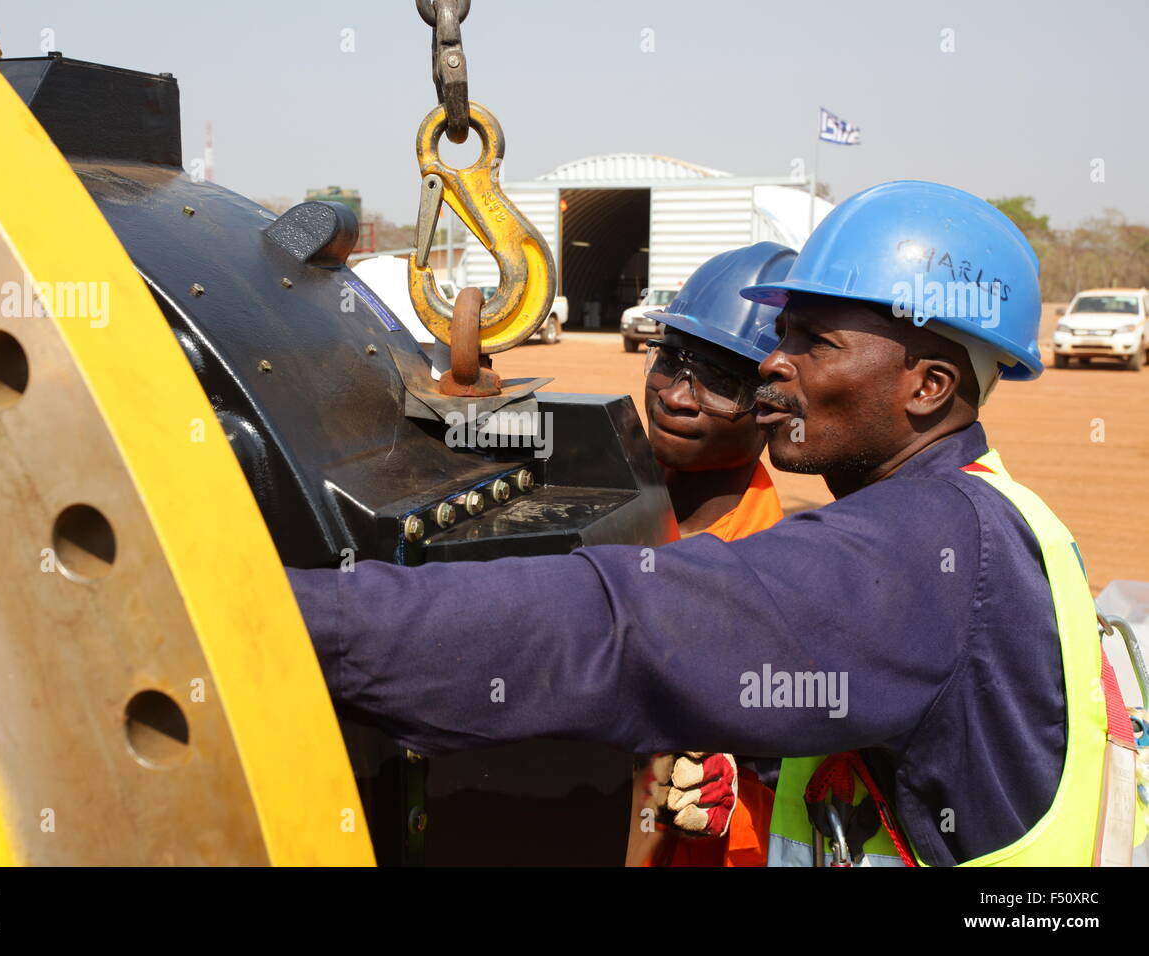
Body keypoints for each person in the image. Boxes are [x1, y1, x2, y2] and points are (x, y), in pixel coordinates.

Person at [287, 181, 1144, 865]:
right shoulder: (997, 514)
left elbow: (615, 630)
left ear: (927, 387)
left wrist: (274, 616)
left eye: (815, 341)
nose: (775, 360)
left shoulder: (925, 544)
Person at [626, 242, 795, 867]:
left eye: (723, 382)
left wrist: (745, 771)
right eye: (671, 360)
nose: (677, 397)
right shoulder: (605, 500)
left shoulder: (774, 576)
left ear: (776, 406)